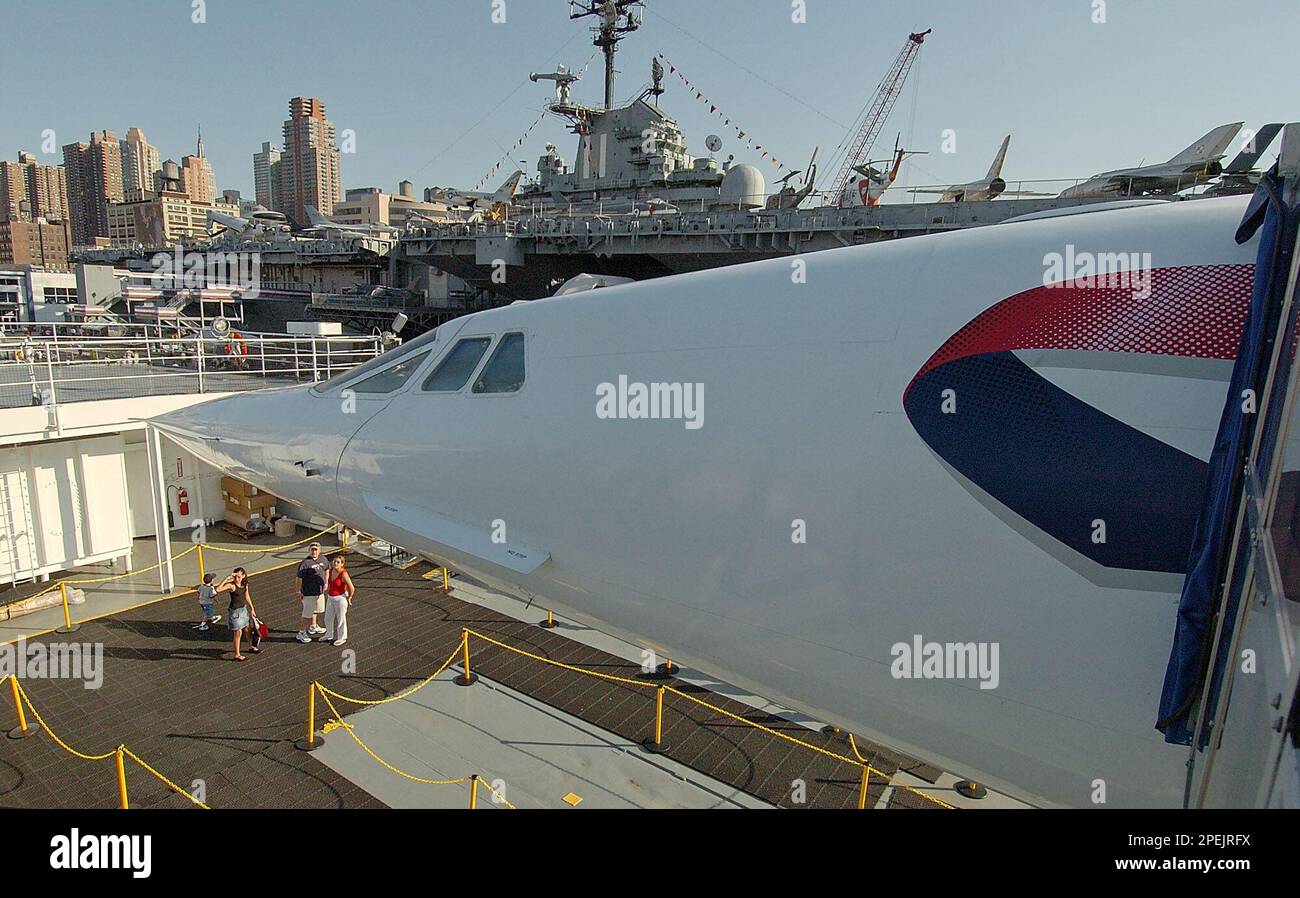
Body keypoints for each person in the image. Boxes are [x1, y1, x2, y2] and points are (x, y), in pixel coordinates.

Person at [214, 568, 260, 661]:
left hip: (243, 610)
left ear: (243, 576)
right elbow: (218, 589)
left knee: (247, 629)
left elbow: (247, 596)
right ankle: (237, 655)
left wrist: (252, 608)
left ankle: (251, 646)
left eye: (239, 577)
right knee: (238, 633)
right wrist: (227, 577)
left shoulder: (244, 584)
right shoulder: (232, 586)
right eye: (235, 577)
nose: (237, 579)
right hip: (235, 612)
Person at [295, 542, 329, 644]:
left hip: (319, 592)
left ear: (319, 550)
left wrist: (326, 582)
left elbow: (327, 570)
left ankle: (313, 626)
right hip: (309, 593)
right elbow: (298, 579)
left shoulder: (323, 559)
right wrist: (298, 591)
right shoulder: (305, 563)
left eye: (316, 549)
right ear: (309, 550)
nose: (314, 551)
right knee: (306, 614)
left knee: (317, 610)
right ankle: (301, 632)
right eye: (312, 549)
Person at [319, 555, 355, 647]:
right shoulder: (331, 571)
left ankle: (342, 637)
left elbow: (351, 587)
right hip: (331, 597)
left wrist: (350, 597)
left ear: (342, 564)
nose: (335, 563)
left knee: (341, 619)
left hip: (340, 599)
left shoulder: (343, 574)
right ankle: (329, 634)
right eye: (334, 561)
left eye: (338, 562)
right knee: (327, 618)